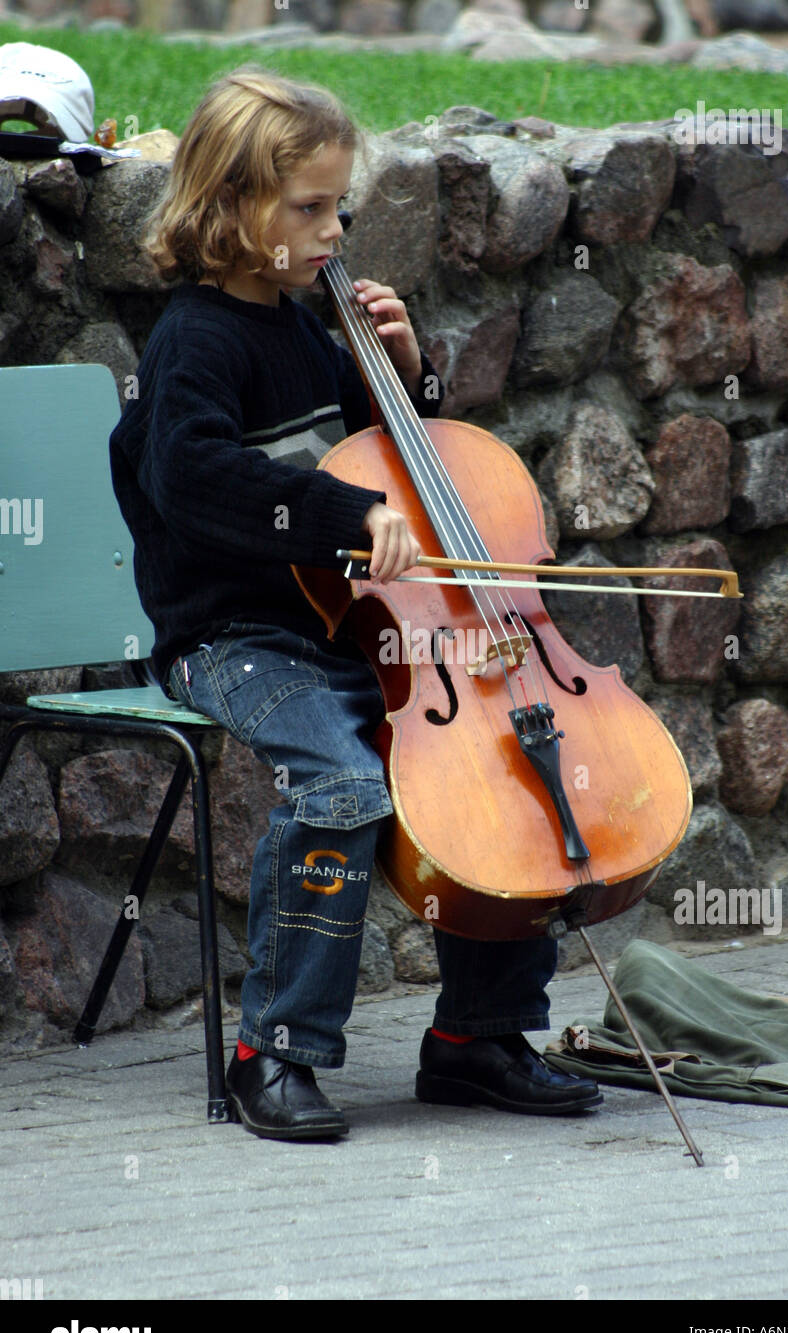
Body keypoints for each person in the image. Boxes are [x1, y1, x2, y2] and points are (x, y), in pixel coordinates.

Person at [110, 66, 603, 1141]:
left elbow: (407, 466)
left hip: (359, 635)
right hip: (233, 637)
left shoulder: (306, 329)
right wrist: (334, 513)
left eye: (340, 206)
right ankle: (274, 1050)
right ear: (228, 205)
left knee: (503, 759)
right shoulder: (195, 343)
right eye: (308, 208)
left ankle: (480, 1037)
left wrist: (404, 373)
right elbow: (189, 479)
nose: (333, 229)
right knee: (338, 779)